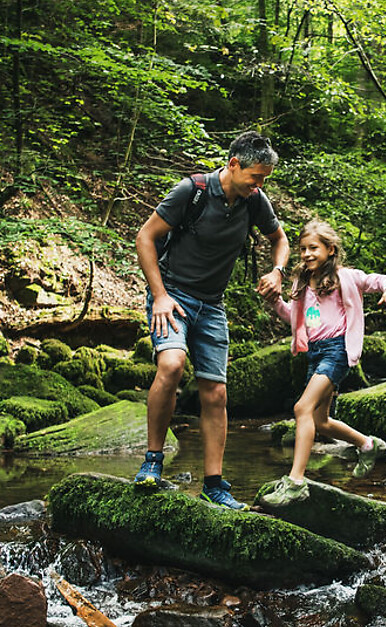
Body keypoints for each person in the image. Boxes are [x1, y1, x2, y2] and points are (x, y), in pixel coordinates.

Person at [132, 131, 290, 510]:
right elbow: (144, 237)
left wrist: (278, 272)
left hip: (212, 306)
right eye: (256, 176)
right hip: (172, 296)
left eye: (265, 179)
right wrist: (160, 296)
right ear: (234, 165)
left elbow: (279, 239)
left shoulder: (254, 201)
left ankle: (214, 485)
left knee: (216, 394)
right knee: (171, 365)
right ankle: (152, 462)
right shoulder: (192, 191)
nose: (260, 185)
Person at [258, 220, 386, 507]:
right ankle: (368, 444)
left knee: (302, 408)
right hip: (315, 351)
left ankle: (296, 481)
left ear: (330, 249)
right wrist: (275, 302)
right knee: (320, 421)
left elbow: (380, 280)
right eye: (302, 249)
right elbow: (296, 319)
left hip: (337, 350)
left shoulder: (346, 277)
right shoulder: (301, 282)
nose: (307, 254)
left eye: (314, 248)